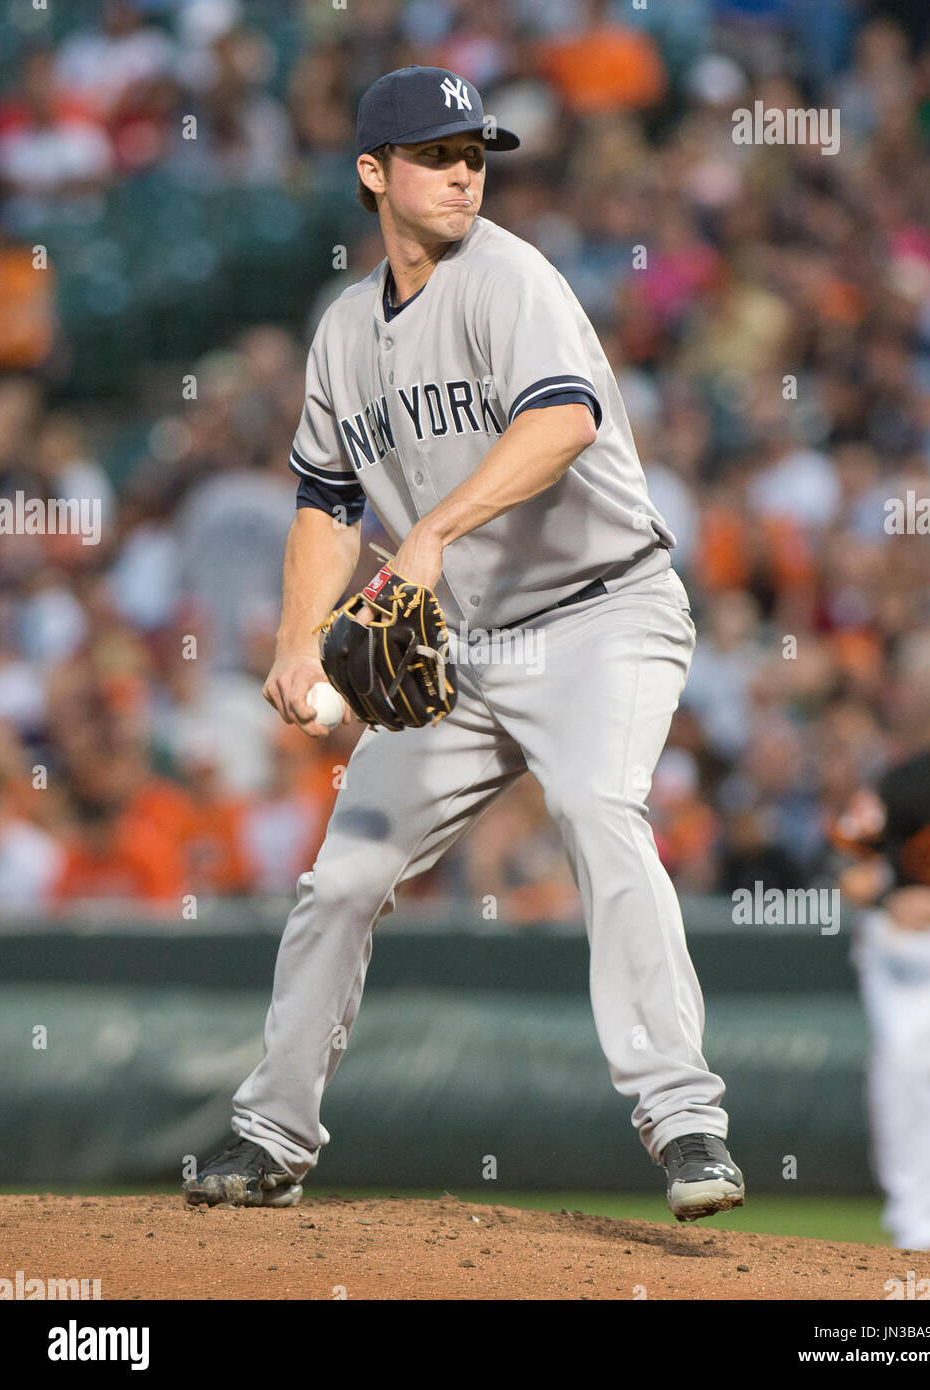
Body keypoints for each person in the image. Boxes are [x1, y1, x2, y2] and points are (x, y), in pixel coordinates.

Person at [184, 66, 744, 1223]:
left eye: (473, 153)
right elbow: (327, 502)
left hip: (603, 612)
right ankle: (270, 1133)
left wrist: (430, 532)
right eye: (435, 155)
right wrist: (298, 640)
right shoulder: (342, 333)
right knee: (338, 880)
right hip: (465, 647)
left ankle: (684, 1118)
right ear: (371, 176)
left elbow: (562, 417)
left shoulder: (509, 276)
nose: (462, 173)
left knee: (598, 810)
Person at [837, 646, 930, 1250]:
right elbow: (850, 874)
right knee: (907, 1055)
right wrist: (891, 892)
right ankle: (920, 1226)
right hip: (924, 941)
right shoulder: (915, 781)